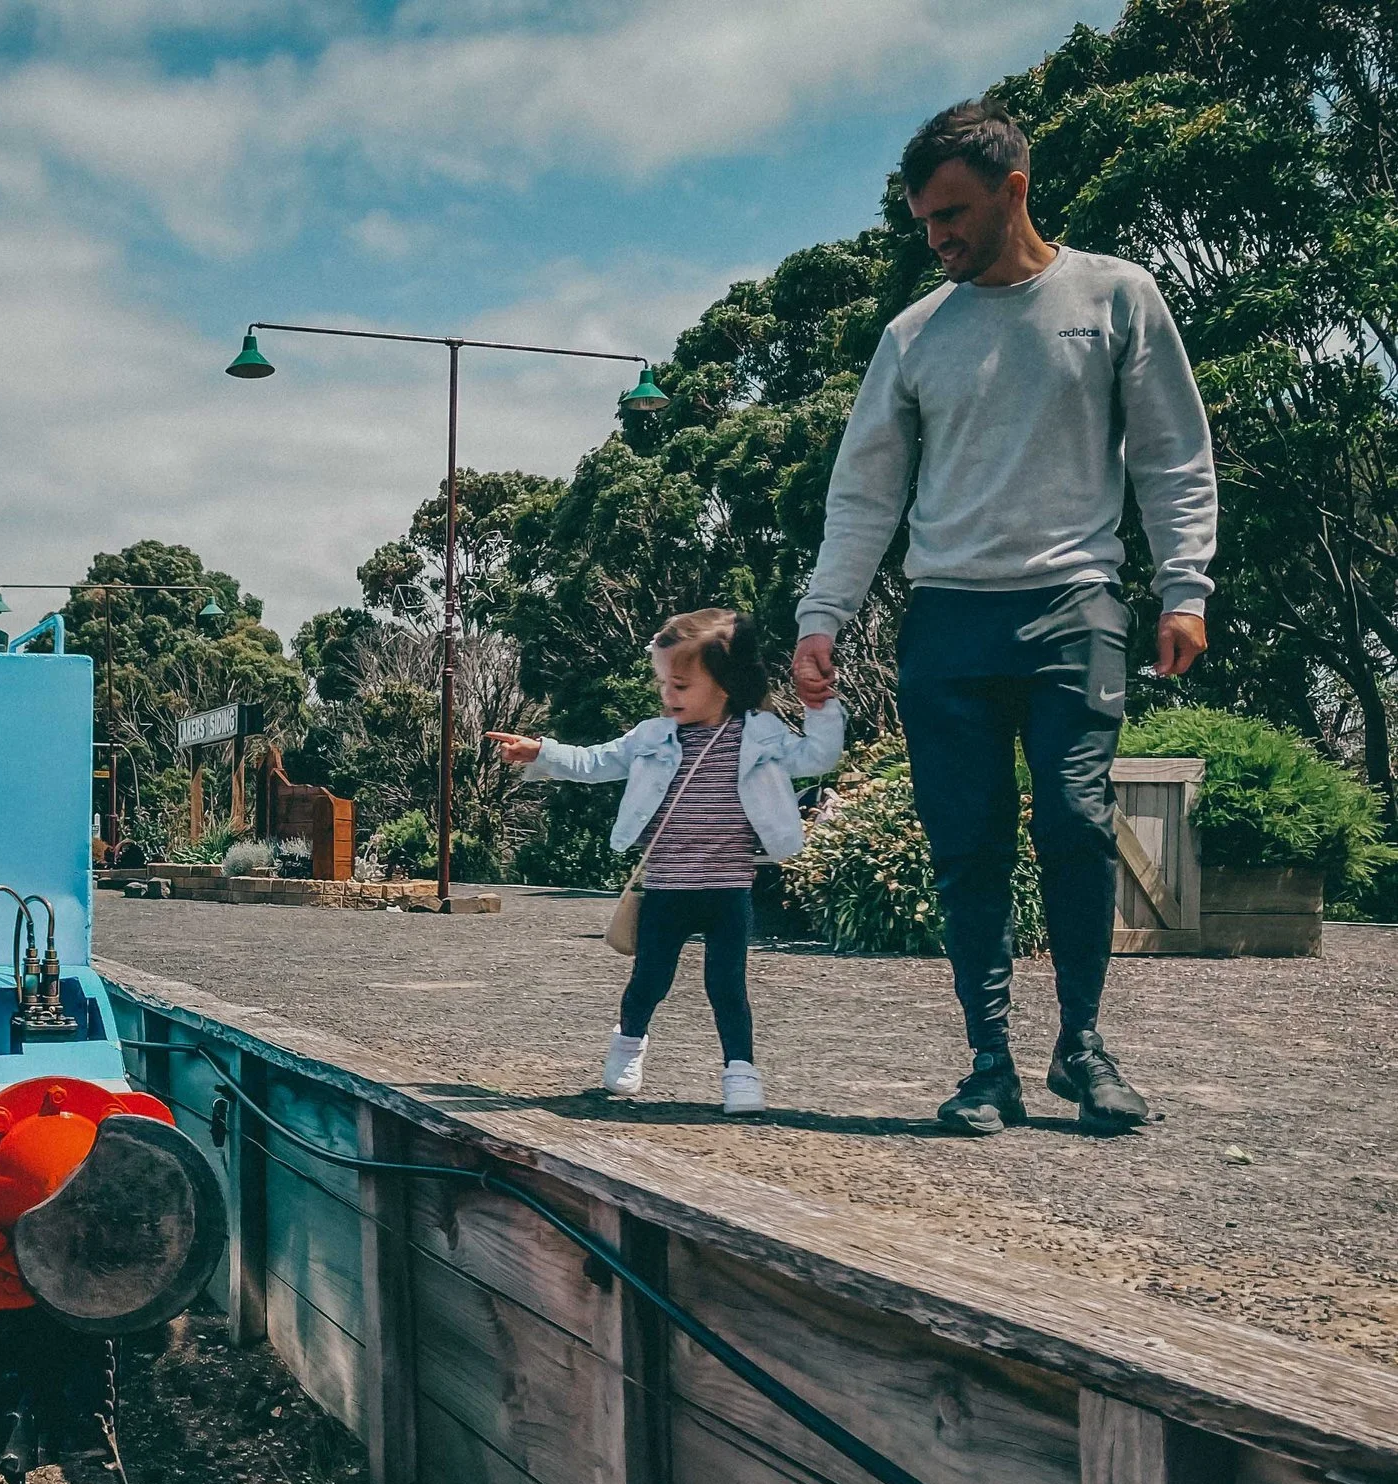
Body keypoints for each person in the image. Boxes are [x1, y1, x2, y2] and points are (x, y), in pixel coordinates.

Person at [792, 98, 1216, 1136]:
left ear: (1012, 189)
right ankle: (989, 1064)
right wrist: (823, 616)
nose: (935, 236)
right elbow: (864, 495)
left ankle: (1080, 1047)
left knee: (1075, 822)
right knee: (965, 847)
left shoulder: (1116, 296)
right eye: (921, 220)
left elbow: (1171, 452)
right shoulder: (912, 337)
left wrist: (1186, 586)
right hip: (947, 621)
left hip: (1075, 607)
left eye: (951, 213)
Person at [491, 608, 843, 1115]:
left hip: (728, 889)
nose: (667, 695)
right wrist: (541, 750)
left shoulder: (760, 734)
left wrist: (821, 705)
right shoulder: (652, 737)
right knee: (650, 980)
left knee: (727, 987)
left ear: (723, 683)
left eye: (679, 684)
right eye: (664, 683)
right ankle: (629, 1042)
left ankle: (740, 1072)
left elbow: (818, 758)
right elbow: (596, 761)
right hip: (667, 887)